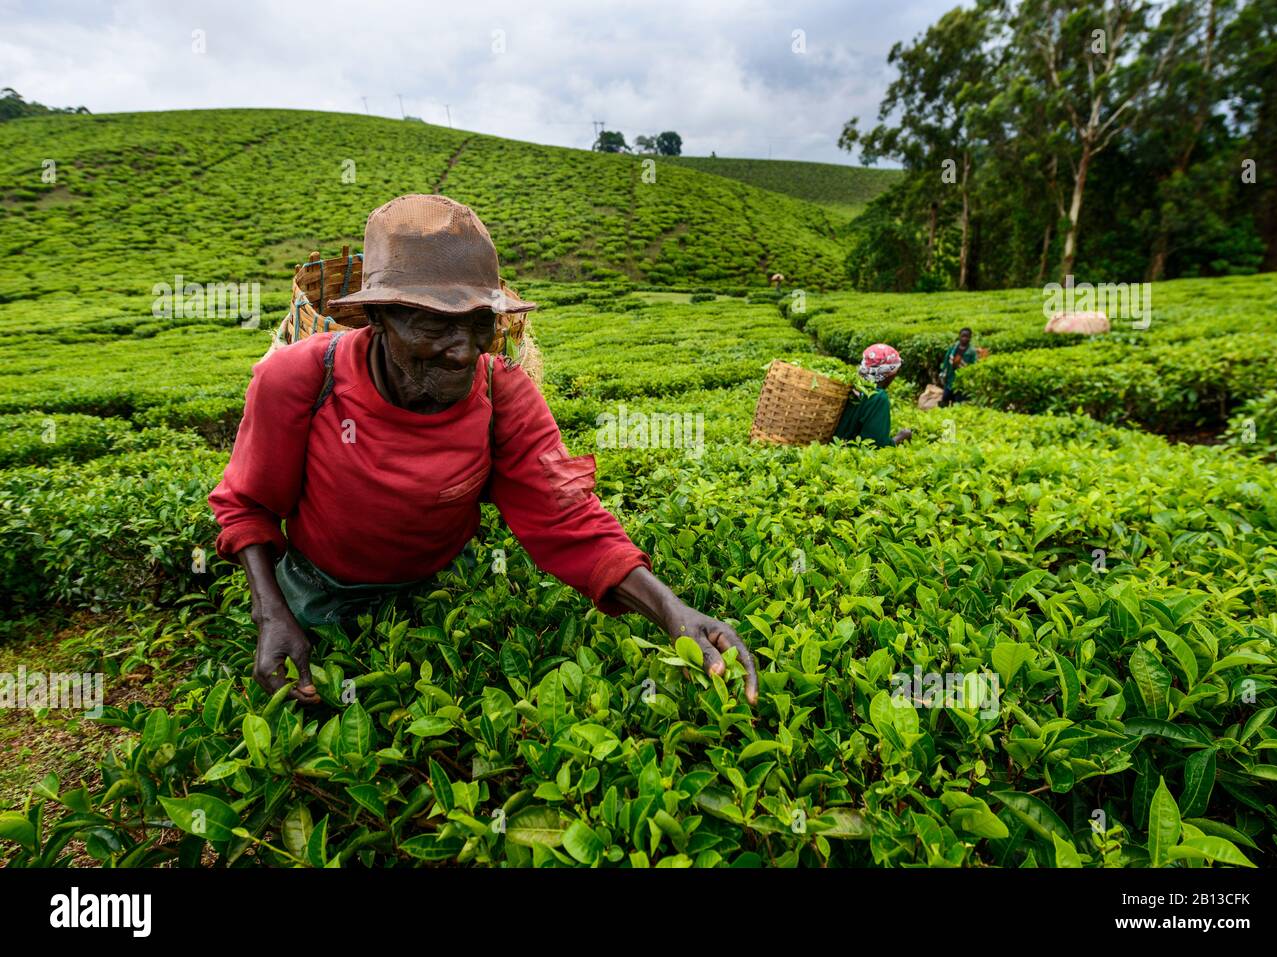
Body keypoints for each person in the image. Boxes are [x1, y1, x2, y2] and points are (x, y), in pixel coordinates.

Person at [209, 194, 758, 707]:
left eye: (478, 324)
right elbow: (247, 506)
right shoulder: (300, 377)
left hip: (443, 583)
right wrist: (269, 612)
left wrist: (672, 612)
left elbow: (566, 519)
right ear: (377, 319)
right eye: (433, 325)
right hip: (319, 588)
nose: (462, 351)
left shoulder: (502, 390)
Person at [832, 343, 912, 447]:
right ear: (888, 374)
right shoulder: (877, 397)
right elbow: (876, 444)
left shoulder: (851, 385)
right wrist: (901, 437)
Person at [939, 327, 977, 407]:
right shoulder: (953, 348)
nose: (964, 338)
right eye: (963, 336)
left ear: (970, 338)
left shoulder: (971, 351)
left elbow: (974, 366)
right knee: (945, 399)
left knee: (959, 401)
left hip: (961, 382)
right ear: (959, 336)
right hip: (950, 378)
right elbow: (946, 361)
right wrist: (943, 373)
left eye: (966, 336)